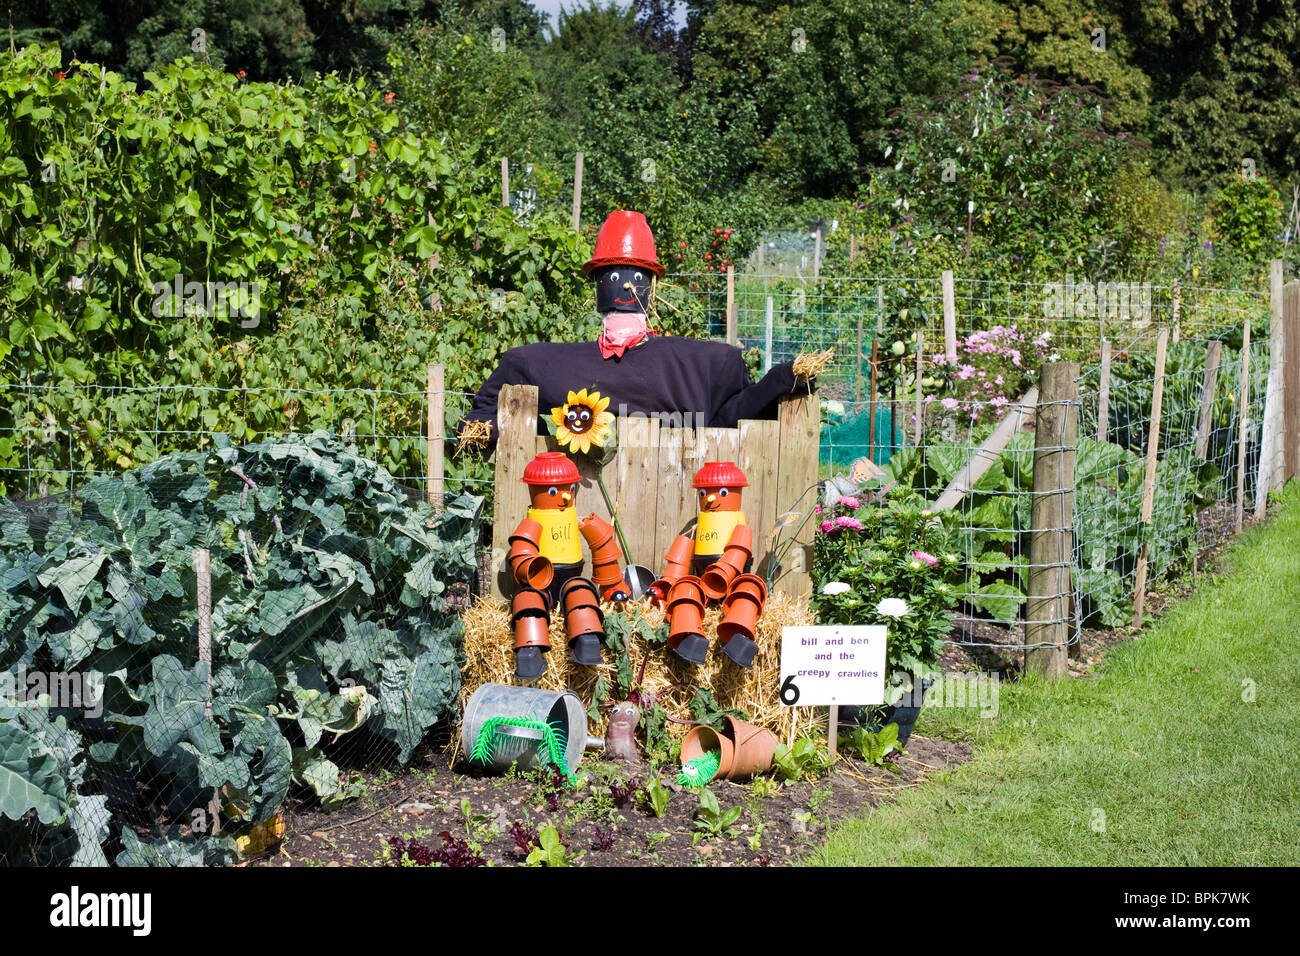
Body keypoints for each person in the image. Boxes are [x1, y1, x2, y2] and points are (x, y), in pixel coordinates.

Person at [460, 211, 814, 454]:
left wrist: (782, 379)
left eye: (630, 279)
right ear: (655, 289)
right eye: (615, 279)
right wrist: (483, 426)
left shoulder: (709, 364)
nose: (625, 288)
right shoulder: (708, 364)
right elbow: (730, 416)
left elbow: (733, 414)